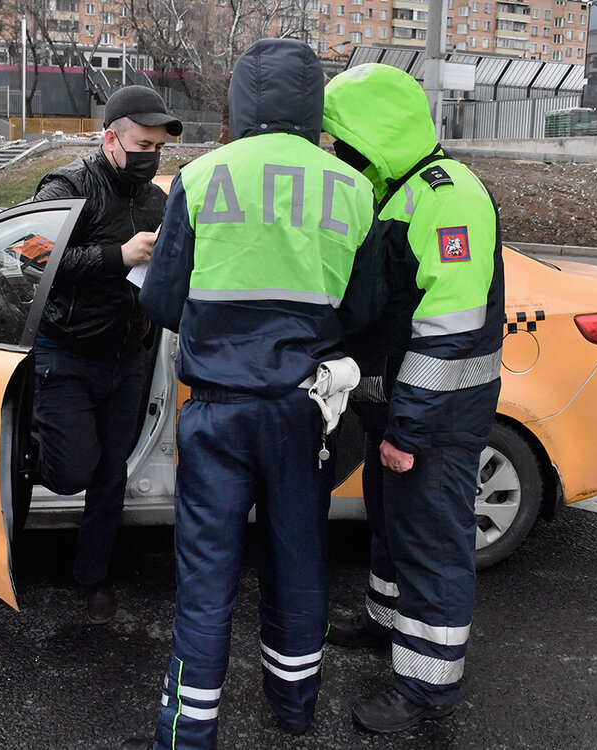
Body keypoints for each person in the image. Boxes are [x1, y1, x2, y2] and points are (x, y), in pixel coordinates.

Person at [123, 39, 385, 749]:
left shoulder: (202, 178)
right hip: (305, 412)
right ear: (312, 106)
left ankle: (188, 733)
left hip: (215, 411)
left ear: (239, 101)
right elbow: (362, 311)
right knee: (299, 562)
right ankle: (295, 707)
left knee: (206, 578)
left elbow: (167, 303)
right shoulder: (352, 188)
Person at [319, 62, 505, 732]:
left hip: (437, 418)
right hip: (399, 408)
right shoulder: (397, 191)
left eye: (345, 140)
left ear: (378, 132)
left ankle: (425, 687)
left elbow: (448, 334)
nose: (338, 153)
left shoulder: (446, 196)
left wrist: (410, 431)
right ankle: (387, 622)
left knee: (431, 543)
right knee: (394, 526)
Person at [30, 85, 182, 624]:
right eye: (142, 145)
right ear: (109, 138)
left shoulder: (157, 199)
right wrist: (116, 255)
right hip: (66, 352)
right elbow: (30, 256)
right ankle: (28, 451)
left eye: (159, 149)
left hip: (128, 356)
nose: (151, 157)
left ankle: (94, 579)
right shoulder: (68, 184)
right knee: (72, 471)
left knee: (110, 475)